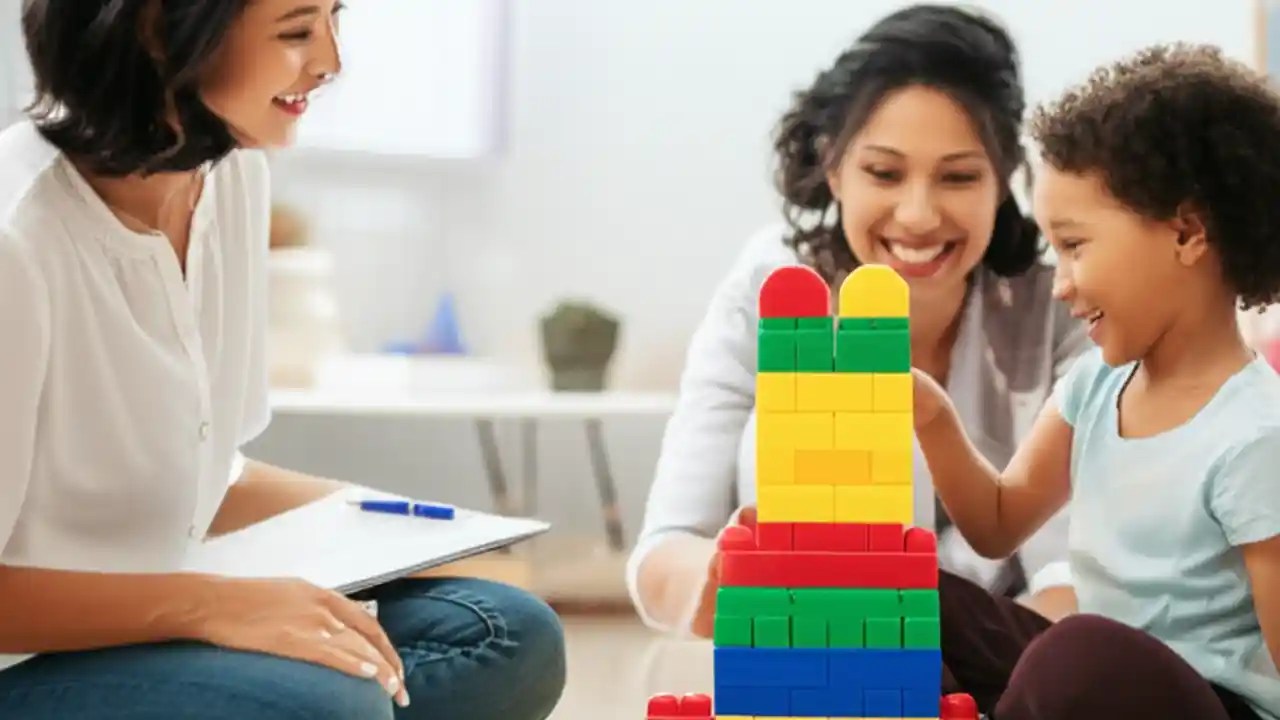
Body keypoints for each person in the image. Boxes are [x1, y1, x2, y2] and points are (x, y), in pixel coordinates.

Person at [0, 2, 565, 718]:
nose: (330, 61)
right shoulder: (17, 241)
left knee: (506, 635)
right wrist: (213, 607)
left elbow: (204, 473)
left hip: (156, 616)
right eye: (296, 31)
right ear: (158, 30)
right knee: (336, 704)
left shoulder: (232, 176)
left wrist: (400, 522)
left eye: (334, 19)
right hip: (26, 660)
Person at [627, 3, 1088, 637]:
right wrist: (730, 575)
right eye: (884, 173)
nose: (919, 214)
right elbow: (664, 552)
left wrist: (939, 661)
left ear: (1002, 177)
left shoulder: (1055, 308)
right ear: (834, 164)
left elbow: (1072, 580)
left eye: (958, 177)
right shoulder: (772, 289)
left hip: (993, 671)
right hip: (803, 648)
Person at [912, 42, 1280, 720]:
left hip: (1202, 703)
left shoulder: (1257, 436)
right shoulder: (1094, 386)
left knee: (1076, 654)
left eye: (1075, 246)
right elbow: (996, 525)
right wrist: (933, 418)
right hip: (1089, 683)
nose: (1062, 284)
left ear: (1188, 231)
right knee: (908, 594)